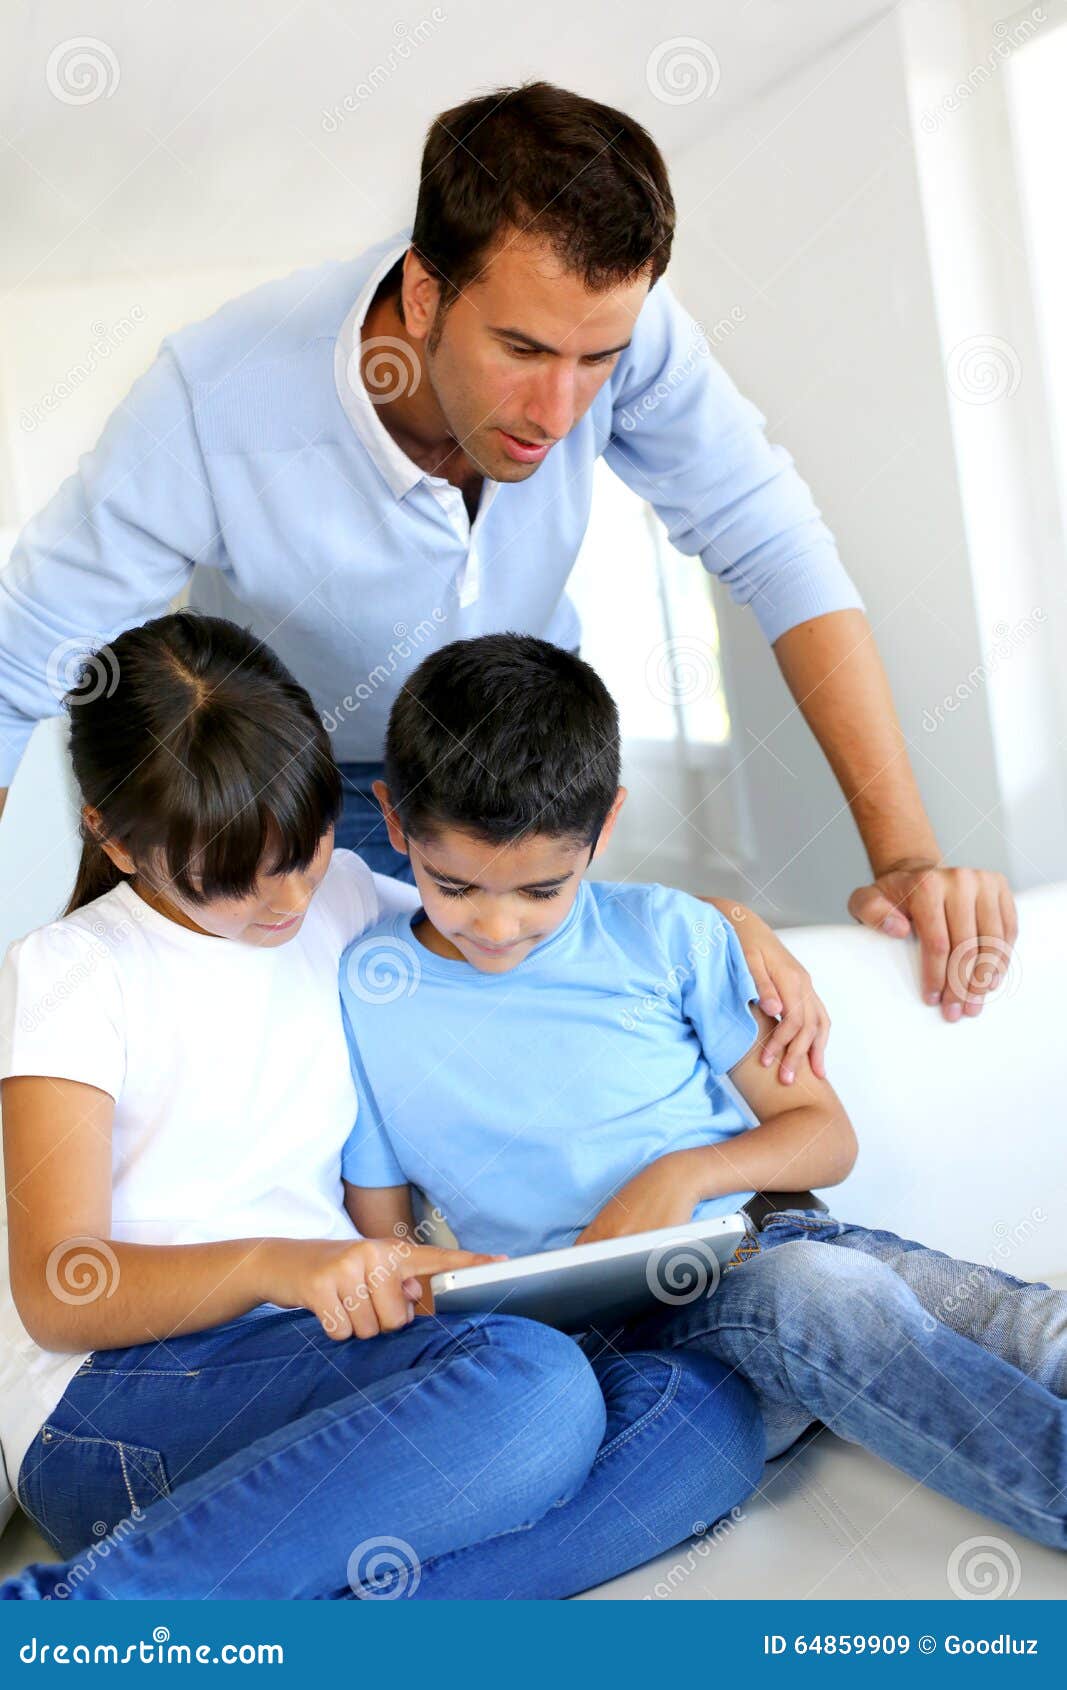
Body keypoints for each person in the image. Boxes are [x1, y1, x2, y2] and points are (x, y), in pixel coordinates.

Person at [0, 81, 1013, 1026]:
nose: (560, 410)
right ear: (424, 291)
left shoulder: (629, 337)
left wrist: (907, 856)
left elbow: (777, 550)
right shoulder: (214, 399)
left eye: (596, 360)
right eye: (521, 351)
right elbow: (15, 669)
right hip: (311, 795)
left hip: (517, 777)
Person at [0, 610, 762, 1602]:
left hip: (316, 1359)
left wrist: (734, 925)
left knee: (701, 1408)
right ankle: (82, 1620)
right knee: (531, 1387)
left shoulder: (346, 896)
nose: (281, 901)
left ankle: (335, 1637)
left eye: (304, 847)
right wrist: (285, 1265)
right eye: (227, 879)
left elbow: (541, 922)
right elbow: (61, 1290)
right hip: (117, 1405)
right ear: (112, 832)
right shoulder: (72, 973)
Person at [338, 632, 1067, 1555]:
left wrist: (682, 1175)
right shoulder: (366, 991)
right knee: (815, 1293)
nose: (496, 924)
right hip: (621, 1344)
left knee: (1017, 1322)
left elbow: (823, 1137)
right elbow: (378, 1229)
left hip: (776, 1238)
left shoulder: (668, 934)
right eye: (453, 885)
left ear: (603, 828)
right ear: (393, 823)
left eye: (540, 890)